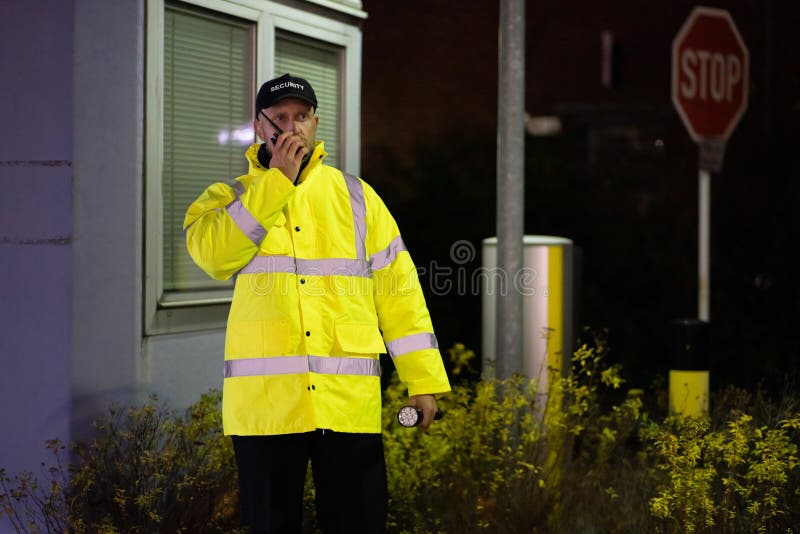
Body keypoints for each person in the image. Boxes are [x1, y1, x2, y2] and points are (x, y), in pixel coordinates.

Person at [183, 73, 451, 533]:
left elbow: (400, 295)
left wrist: (422, 381)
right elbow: (214, 257)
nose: (293, 127)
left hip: (345, 406)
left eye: (302, 116)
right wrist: (277, 183)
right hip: (266, 412)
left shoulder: (358, 198)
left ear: (316, 122)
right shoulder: (228, 198)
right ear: (259, 127)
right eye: (281, 118)